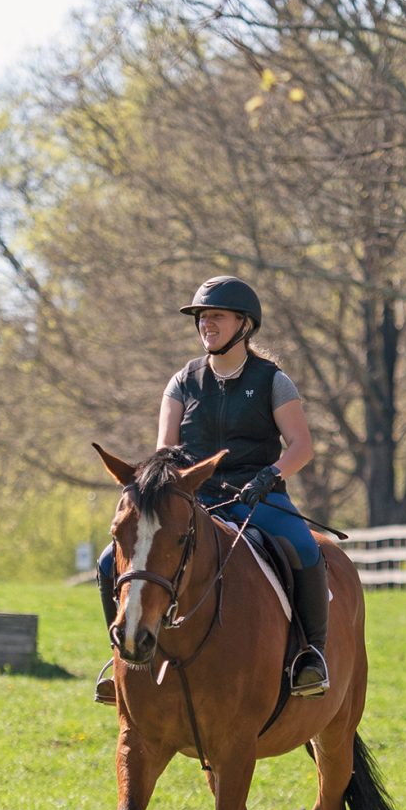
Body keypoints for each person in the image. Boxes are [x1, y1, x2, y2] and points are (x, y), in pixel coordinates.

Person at [94, 275, 327, 706]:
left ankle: (311, 656)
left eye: (216, 317)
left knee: (304, 548)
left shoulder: (273, 381)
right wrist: (176, 485)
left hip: (259, 495)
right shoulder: (182, 382)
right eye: (202, 319)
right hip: (194, 498)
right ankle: (121, 659)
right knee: (110, 559)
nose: (206, 326)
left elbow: (302, 446)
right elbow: (165, 452)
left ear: (244, 324)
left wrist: (269, 476)